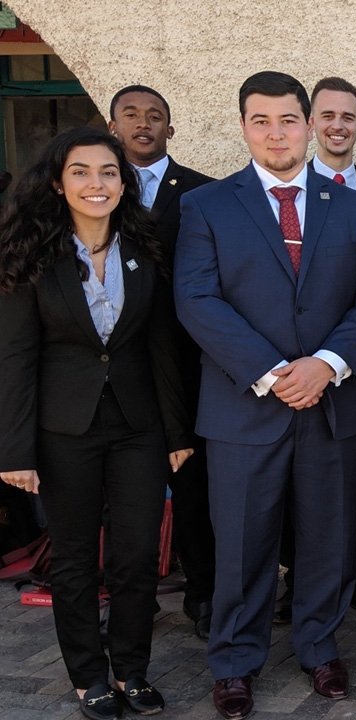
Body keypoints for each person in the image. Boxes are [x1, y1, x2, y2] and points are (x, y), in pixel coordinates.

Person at [174, 71, 356, 719]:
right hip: (245, 408)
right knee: (242, 542)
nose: (275, 132)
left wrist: (325, 364)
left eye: (287, 119)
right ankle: (235, 660)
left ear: (310, 124)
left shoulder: (353, 206)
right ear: (244, 126)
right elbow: (197, 299)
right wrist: (273, 371)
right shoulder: (206, 206)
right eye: (260, 120)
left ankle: (320, 646)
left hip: (333, 405)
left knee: (328, 537)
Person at [0, 126, 193, 719]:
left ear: (123, 181)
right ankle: (89, 677)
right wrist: (14, 449)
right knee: (77, 560)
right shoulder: (31, 255)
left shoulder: (144, 246)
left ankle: (132, 671)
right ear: (58, 184)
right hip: (63, 432)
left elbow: (162, 345)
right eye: (81, 172)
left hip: (138, 426)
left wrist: (177, 432)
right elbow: (16, 357)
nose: (95, 183)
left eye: (108, 172)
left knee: (135, 557)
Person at [271, 76, 356, 618]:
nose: (337, 125)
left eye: (348, 116)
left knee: (355, 479)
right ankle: (296, 580)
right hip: (284, 370)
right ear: (309, 124)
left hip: (354, 365)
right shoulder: (279, 194)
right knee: (288, 486)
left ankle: (353, 573)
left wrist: (344, 359)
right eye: (327, 115)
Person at [107, 84, 217, 641]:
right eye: (131, 115)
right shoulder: (94, 192)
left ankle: (204, 595)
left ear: (171, 130)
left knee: (194, 486)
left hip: (189, 366)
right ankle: (133, 601)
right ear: (113, 127)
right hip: (118, 370)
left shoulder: (203, 194)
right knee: (127, 492)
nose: (143, 124)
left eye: (155, 117)